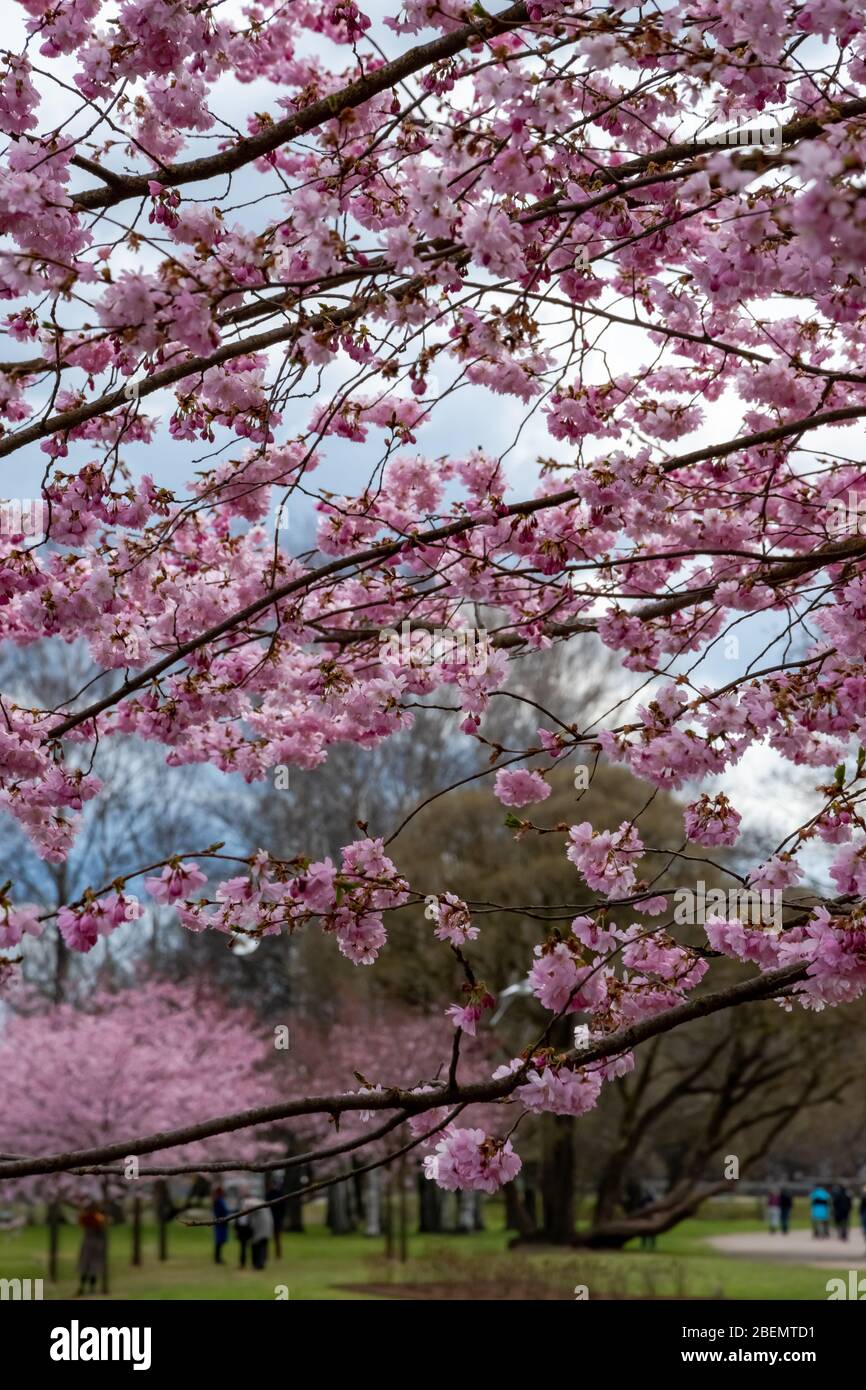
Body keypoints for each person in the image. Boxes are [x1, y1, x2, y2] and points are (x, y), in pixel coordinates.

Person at [75, 1200, 106, 1296]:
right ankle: (90, 1288)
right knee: (93, 1266)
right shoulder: (99, 1218)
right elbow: (101, 1230)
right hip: (95, 1244)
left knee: (86, 1265)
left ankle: (83, 1287)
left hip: (87, 1243)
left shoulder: (85, 1217)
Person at [249, 1202, 274, 1270]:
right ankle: (260, 1263)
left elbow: (254, 1222)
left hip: (260, 1233)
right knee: (263, 1247)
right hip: (265, 1232)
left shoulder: (258, 1210)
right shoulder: (265, 1209)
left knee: (259, 1248)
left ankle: (259, 1264)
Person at [235, 1187, 254, 1268]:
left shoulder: (251, 1205)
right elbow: (237, 1219)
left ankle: (253, 1263)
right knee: (243, 1247)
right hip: (242, 1229)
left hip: (248, 1228)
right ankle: (243, 1263)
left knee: (251, 1246)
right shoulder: (240, 1205)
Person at [212, 1185, 229, 1264]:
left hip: (221, 1223)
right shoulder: (219, 1201)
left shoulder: (218, 1200)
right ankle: (217, 1258)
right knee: (219, 1241)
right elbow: (223, 1210)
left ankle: (218, 1258)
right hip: (220, 1223)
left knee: (219, 1242)